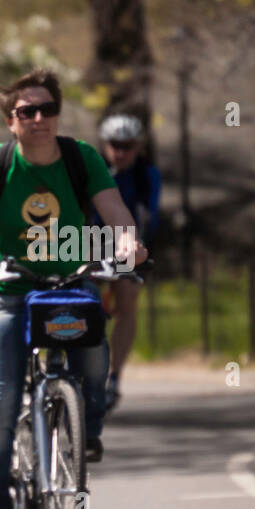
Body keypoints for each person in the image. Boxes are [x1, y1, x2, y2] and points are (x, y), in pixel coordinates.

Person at [0, 69, 147, 509]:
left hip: (69, 282)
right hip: (4, 288)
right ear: (11, 121)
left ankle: (86, 426)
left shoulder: (82, 157)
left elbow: (115, 211)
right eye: (27, 111)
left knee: (92, 360)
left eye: (47, 110)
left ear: (57, 115)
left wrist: (126, 242)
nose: (38, 119)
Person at [96, 113, 162, 413]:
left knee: (127, 302)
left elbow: (150, 215)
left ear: (138, 147)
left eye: (128, 146)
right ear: (104, 144)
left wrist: (136, 252)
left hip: (127, 246)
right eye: (115, 145)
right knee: (81, 299)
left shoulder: (146, 174)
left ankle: (114, 377)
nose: (120, 152)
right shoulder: (92, 168)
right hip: (89, 244)